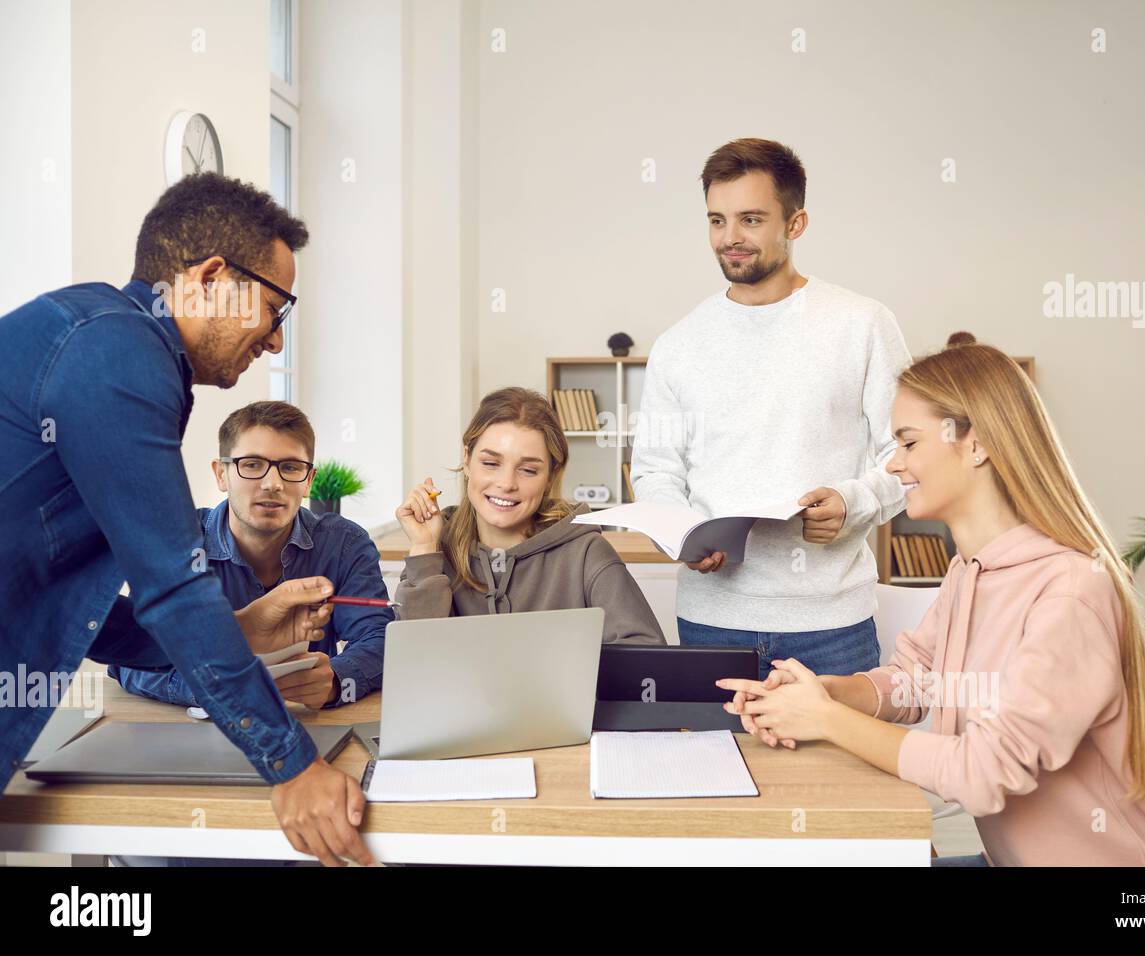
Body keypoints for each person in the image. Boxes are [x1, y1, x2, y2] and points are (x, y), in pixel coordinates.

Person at [0, 173, 374, 867]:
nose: (274, 343)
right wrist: (291, 767)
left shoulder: (101, 336)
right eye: (275, 308)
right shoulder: (117, 354)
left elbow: (56, 605)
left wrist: (231, 632)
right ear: (209, 277)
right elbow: (173, 589)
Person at [719, 333, 1145, 866]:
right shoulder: (969, 571)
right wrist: (829, 693)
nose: (896, 466)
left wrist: (827, 721)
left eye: (909, 443)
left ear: (976, 444)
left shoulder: (1069, 591)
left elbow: (983, 773)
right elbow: (918, 679)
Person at [631, 137, 911, 676]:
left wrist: (854, 502)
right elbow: (655, 470)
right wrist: (684, 532)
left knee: (838, 764)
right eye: (717, 220)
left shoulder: (863, 324)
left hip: (833, 626)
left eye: (751, 219)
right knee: (717, 762)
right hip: (710, 622)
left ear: (796, 223)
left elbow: (909, 456)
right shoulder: (679, 343)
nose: (730, 238)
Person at [111, 401, 391, 710]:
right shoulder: (177, 543)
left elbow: (379, 636)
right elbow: (129, 657)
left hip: (306, 726)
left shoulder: (345, 544)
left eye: (291, 467)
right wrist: (215, 687)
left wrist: (337, 680)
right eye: (253, 465)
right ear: (221, 474)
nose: (273, 484)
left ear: (309, 481)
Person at [394, 387, 665, 644]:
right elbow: (414, 656)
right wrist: (424, 549)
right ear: (467, 460)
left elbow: (647, 655)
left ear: (550, 477)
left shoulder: (586, 552)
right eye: (490, 463)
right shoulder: (436, 549)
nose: (507, 483)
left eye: (528, 470)